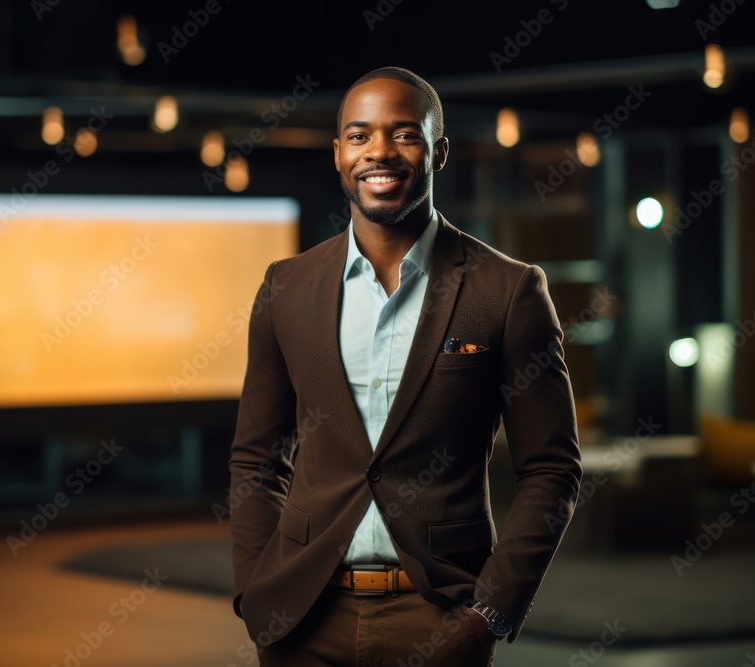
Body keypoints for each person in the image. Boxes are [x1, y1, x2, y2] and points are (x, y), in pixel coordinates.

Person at [228, 66, 582, 666]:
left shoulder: (508, 291)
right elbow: (256, 458)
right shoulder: (285, 287)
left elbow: (552, 469)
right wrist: (254, 592)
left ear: (438, 152)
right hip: (301, 620)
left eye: (404, 134)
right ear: (338, 154)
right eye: (360, 135)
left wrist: (489, 614)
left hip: (440, 619)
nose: (380, 152)